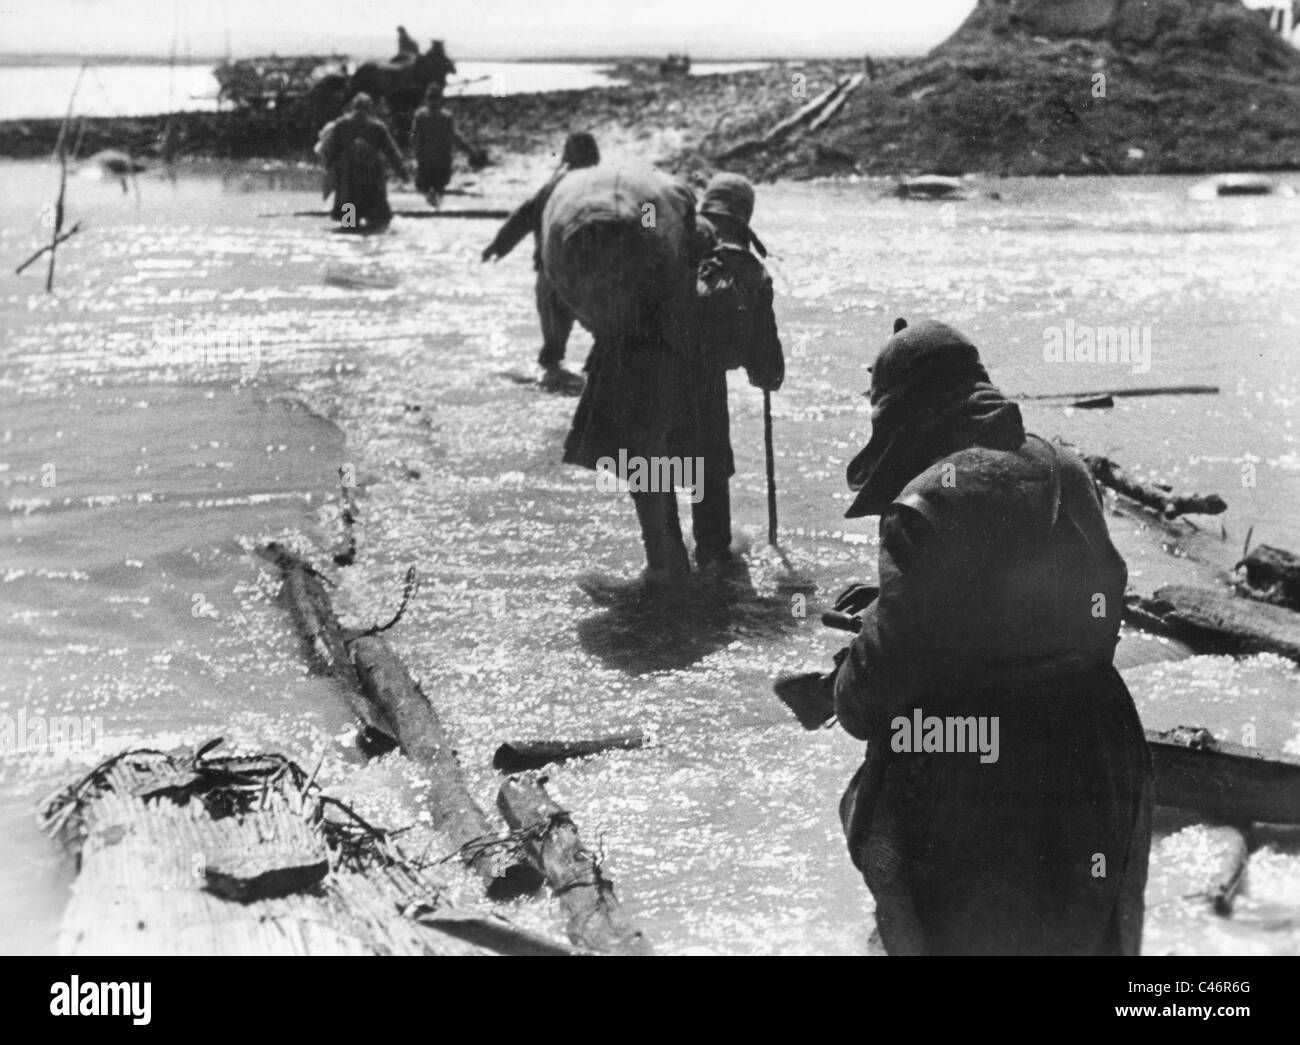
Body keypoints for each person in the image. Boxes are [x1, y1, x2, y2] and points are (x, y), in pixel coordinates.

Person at [830, 319, 1152, 956]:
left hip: (979, 772)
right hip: (1102, 745)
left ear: (907, 418)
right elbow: (1095, 613)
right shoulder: (1067, 468)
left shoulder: (922, 503)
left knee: (878, 838)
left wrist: (846, 665)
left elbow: (866, 705)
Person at [537, 163, 702, 595]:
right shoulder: (667, 231)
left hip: (627, 354)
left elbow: (555, 289)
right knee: (656, 460)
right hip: (658, 349)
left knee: (643, 463)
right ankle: (681, 560)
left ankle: (666, 568)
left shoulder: (593, 268)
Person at [692, 173, 785, 573]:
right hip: (705, 385)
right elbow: (767, 370)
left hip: (649, 378)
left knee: (657, 474)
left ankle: (662, 573)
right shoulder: (749, 268)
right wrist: (765, 372)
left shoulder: (673, 244)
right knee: (709, 472)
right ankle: (714, 564)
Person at [481, 133, 601, 392]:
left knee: (552, 351)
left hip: (552, 273)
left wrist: (498, 247)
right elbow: (644, 214)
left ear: (568, 156)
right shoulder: (607, 186)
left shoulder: (555, 186)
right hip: (596, 276)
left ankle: (551, 384)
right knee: (605, 339)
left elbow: (524, 215)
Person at [320, 93, 407, 231]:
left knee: (348, 226)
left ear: (353, 107)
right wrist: (403, 174)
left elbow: (330, 153)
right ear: (370, 109)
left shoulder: (342, 125)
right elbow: (392, 154)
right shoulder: (378, 127)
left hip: (348, 186)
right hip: (373, 184)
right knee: (378, 226)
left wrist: (331, 173)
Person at [409, 85, 481, 205]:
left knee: (433, 188)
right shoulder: (426, 116)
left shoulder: (440, 116)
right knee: (431, 188)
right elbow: (414, 136)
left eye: (434, 98)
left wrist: (470, 150)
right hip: (432, 160)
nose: (432, 101)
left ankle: (433, 205)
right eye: (430, 97)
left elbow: (455, 136)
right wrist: (470, 150)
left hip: (436, 160)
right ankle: (434, 204)